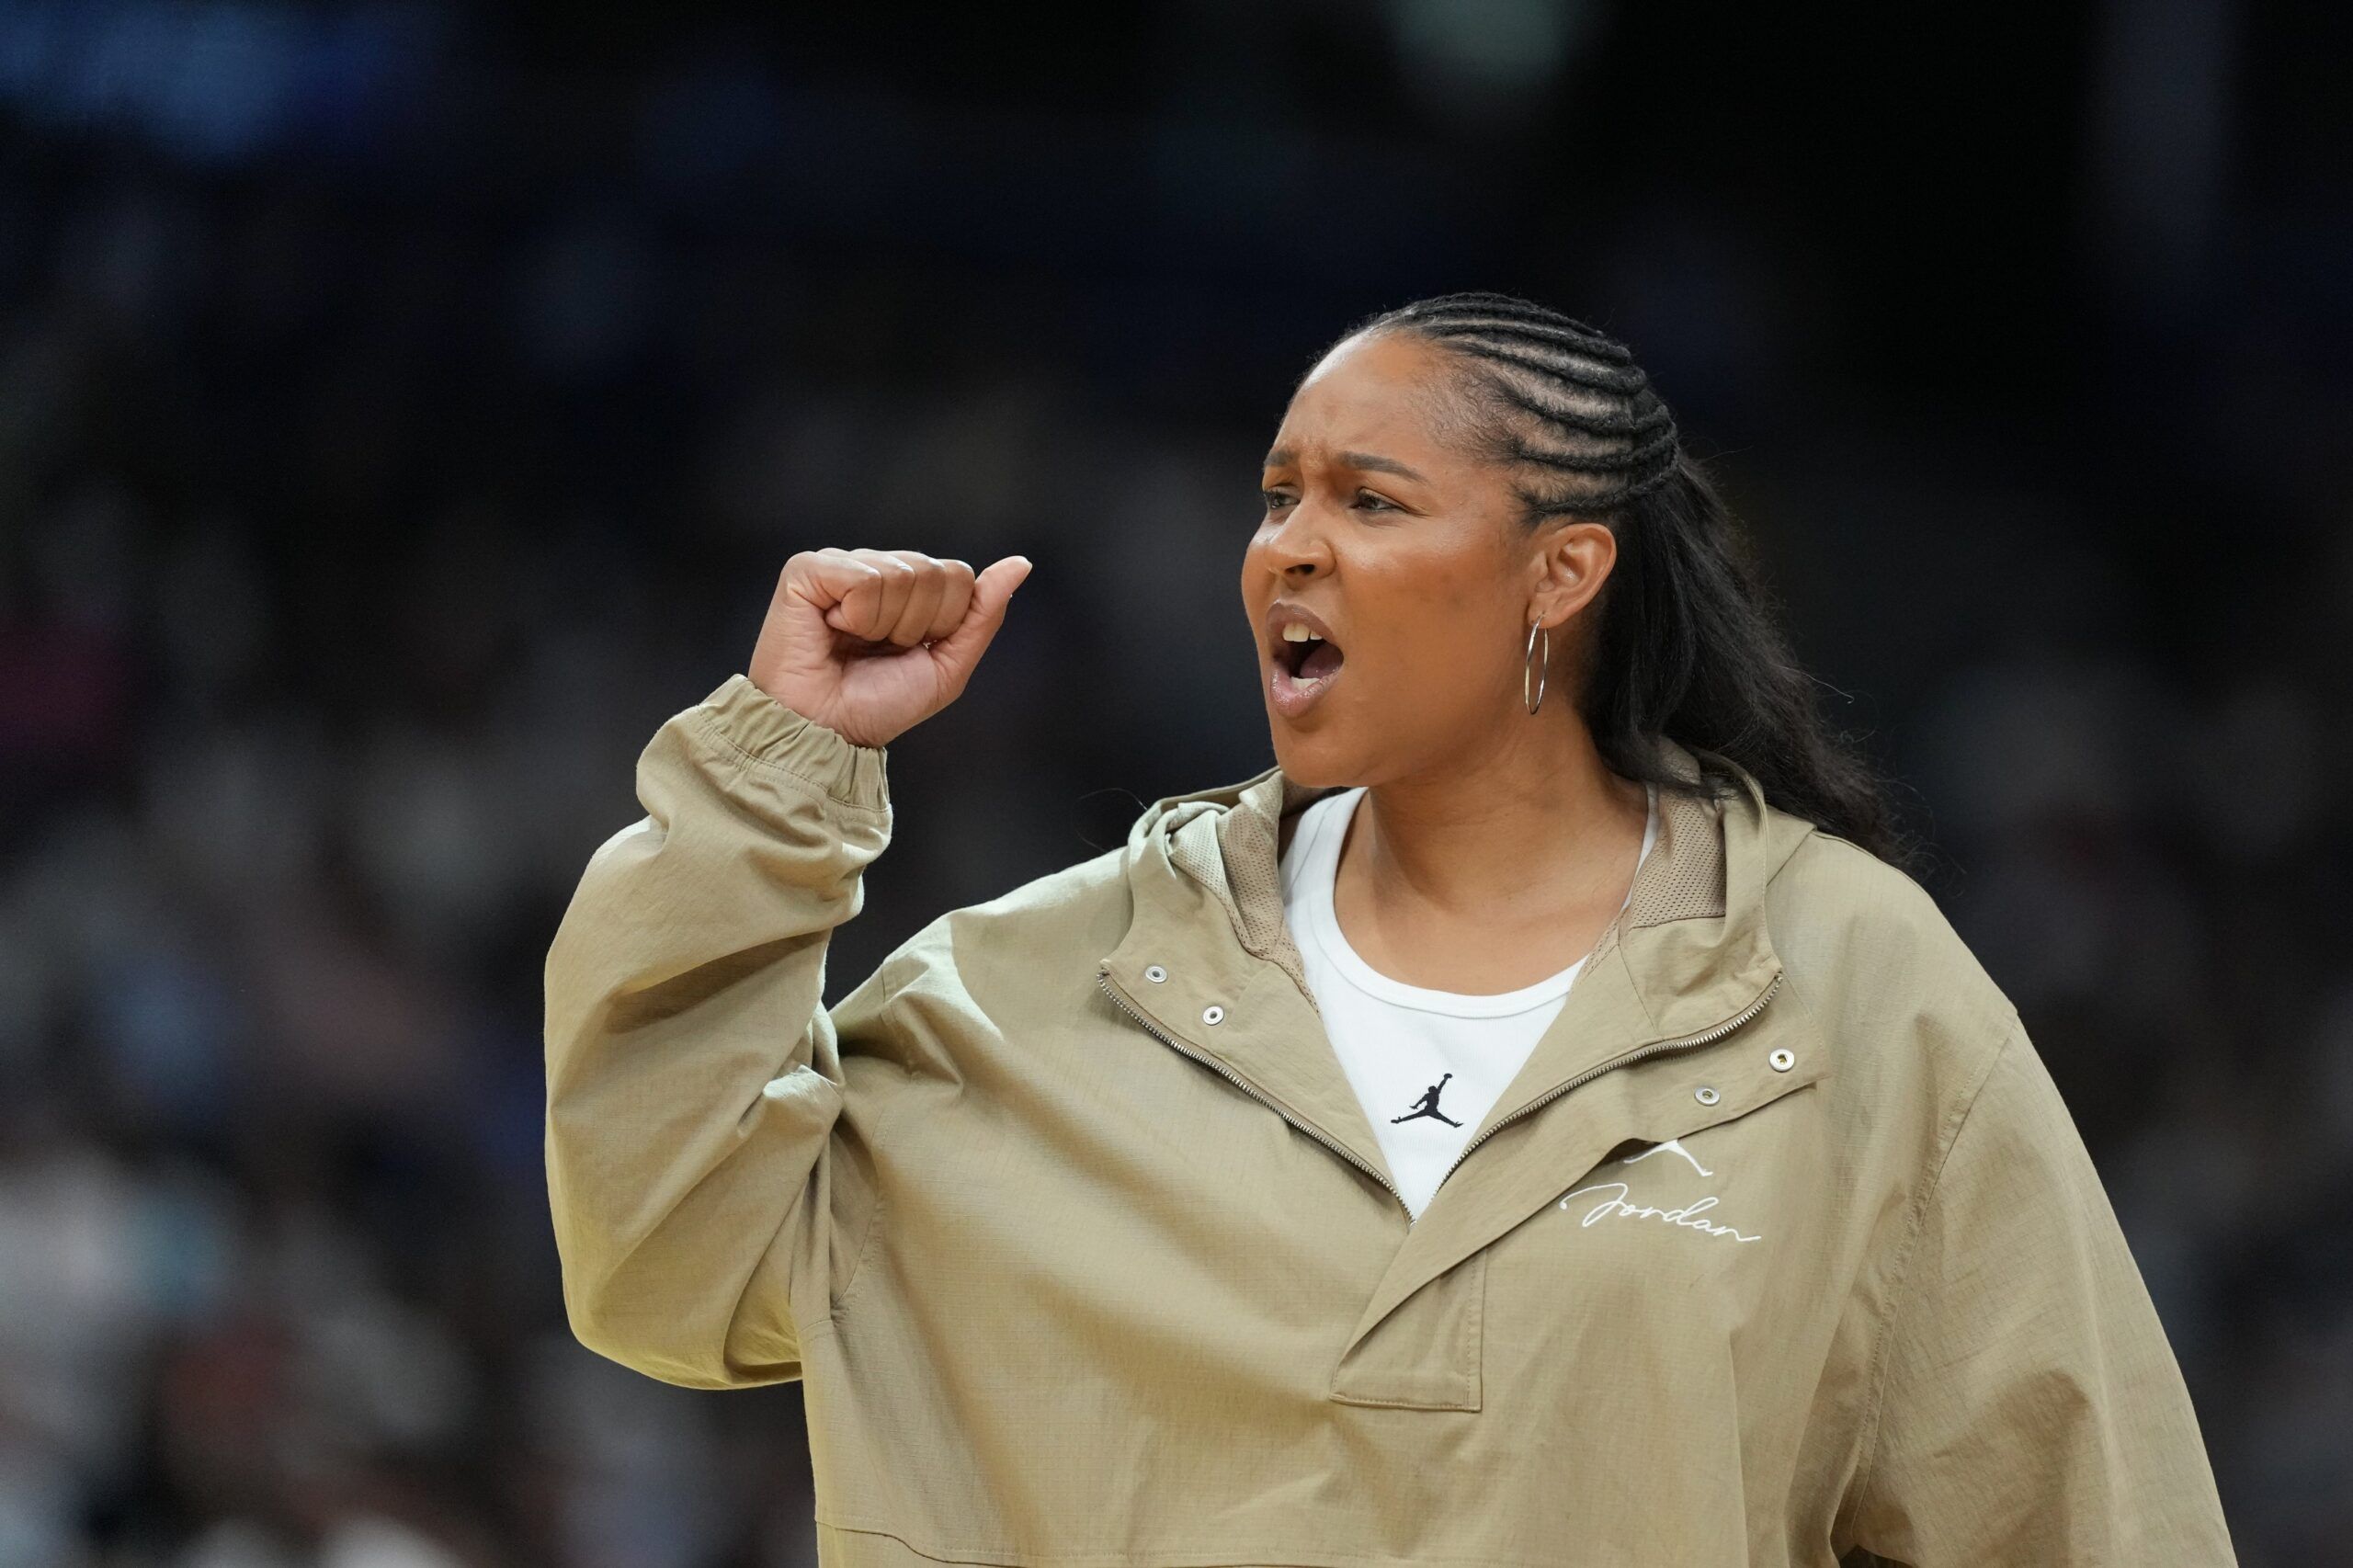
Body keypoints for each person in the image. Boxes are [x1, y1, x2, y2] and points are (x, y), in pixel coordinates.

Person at [543, 291, 2239, 1564]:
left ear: (1560, 575)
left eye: (1368, 500)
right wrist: (783, 778)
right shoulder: (1040, 996)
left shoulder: (1848, 986)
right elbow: (667, 1263)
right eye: (1276, 498)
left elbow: (2085, 1515)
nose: (1287, 549)